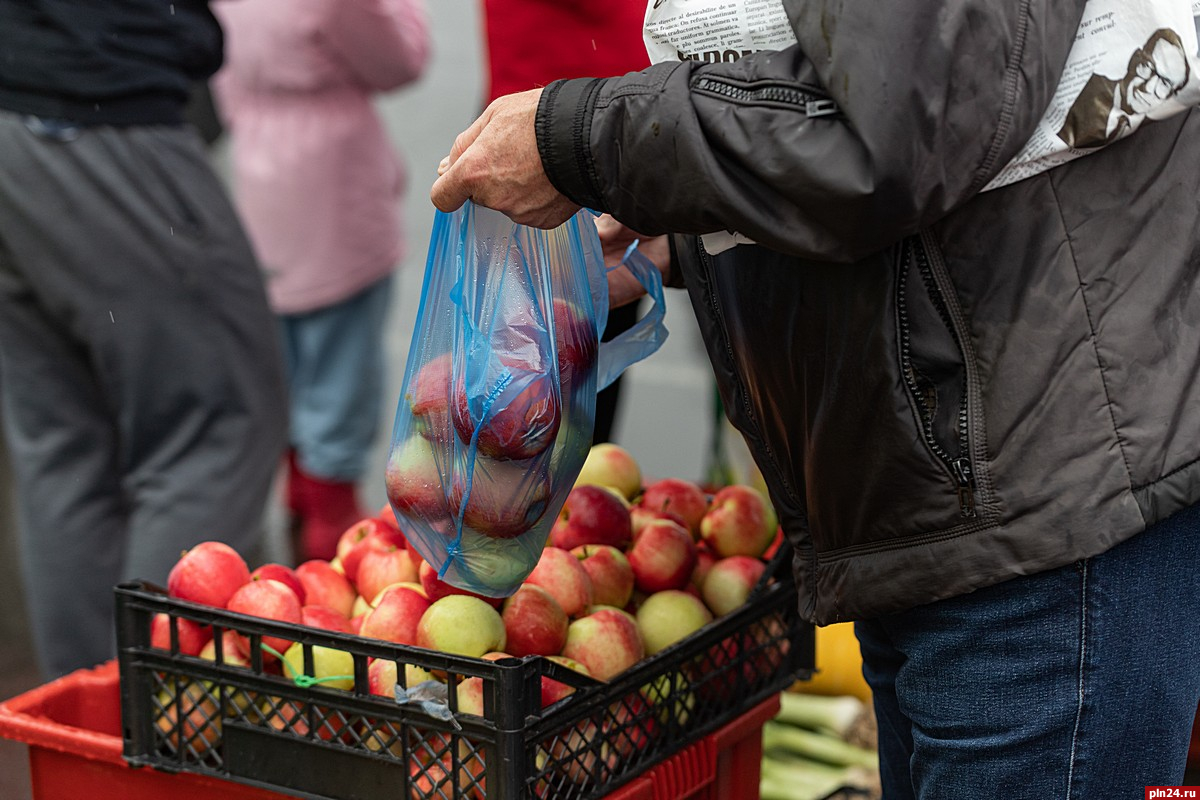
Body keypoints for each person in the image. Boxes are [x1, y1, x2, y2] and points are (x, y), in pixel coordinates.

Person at [430, 2, 1200, 796]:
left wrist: (579, 139)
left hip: (1033, 497)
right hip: (947, 480)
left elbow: (896, 124)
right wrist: (696, 232)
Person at [0, 1, 289, 679]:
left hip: (22, 93)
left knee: (66, 448)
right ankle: (155, 724)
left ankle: (89, 732)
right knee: (219, 427)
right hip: (97, 95)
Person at [211, 0, 430, 562]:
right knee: (340, 373)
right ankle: (329, 538)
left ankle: (298, 504)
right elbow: (400, 60)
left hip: (258, 173)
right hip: (331, 188)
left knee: (281, 365)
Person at [478, 0, 650, 444]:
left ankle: (574, 490)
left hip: (612, 119)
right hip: (562, 131)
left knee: (589, 347)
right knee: (541, 362)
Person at [1057, 27, 1191, 148]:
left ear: (1171, 95)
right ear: (1135, 58)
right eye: (1148, 66)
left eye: (1165, 83)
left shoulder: (1158, 138)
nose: (1148, 88)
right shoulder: (1083, 87)